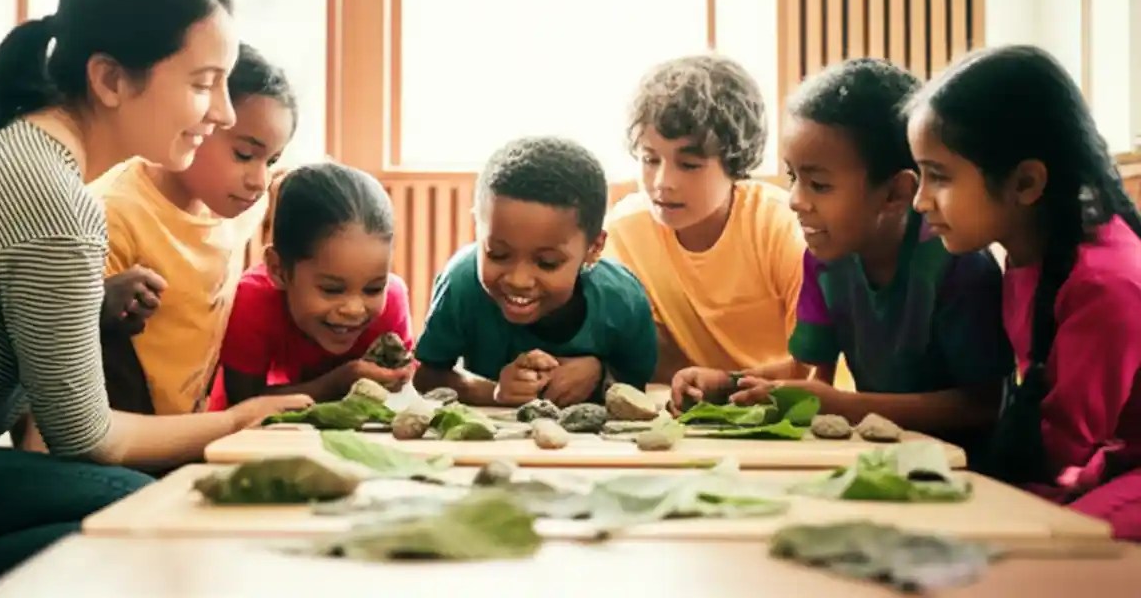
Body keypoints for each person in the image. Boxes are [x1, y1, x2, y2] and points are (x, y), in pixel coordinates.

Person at [0, 0, 307, 594]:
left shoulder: (25, 158)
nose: (223, 113)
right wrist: (240, 420)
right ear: (109, 79)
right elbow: (86, 438)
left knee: (129, 507)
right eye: (204, 83)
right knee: (136, 505)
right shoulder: (50, 199)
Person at [672, 59, 1010, 451]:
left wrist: (846, 406)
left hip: (971, 469)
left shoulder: (956, 263)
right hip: (886, 454)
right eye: (792, 178)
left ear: (896, 193)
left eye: (818, 184)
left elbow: (984, 405)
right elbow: (808, 373)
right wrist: (727, 384)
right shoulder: (826, 256)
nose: (796, 201)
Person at [908, 45, 1141, 541]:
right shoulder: (1022, 256)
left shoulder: (1106, 281)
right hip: (1111, 467)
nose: (919, 199)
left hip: (1119, 471)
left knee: (1042, 542)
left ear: (1026, 182)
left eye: (939, 176)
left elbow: (1061, 448)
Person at [93, 43, 298, 415]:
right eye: (244, 154)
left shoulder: (238, 206)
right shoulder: (114, 213)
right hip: (119, 433)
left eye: (272, 159)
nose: (259, 179)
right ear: (196, 123)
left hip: (187, 428)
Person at [604, 53, 806, 382]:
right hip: (687, 409)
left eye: (689, 165)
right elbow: (635, 353)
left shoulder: (780, 229)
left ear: (735, 163)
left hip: (793, 407)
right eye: (650, 159)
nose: (662, 182)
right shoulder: (625, 232)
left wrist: (726, 384)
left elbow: (816, 367)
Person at [413, 136, 658, 407]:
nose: (519, 280)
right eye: (498, 254)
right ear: (478, 228)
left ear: (594, 247)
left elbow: (639, 385)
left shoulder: (622, 300)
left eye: (547, 262)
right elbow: (426, 376)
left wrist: (600, 374)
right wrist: (494, 392)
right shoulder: (460, 283)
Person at [209, 162, 415, 408]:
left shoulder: (391, 300)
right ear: (279, 271)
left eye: (373, 288)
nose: (354, 308)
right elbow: (242, 401)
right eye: (332, 289)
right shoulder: (254, 300)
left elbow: (405, 391)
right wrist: (338, 383)